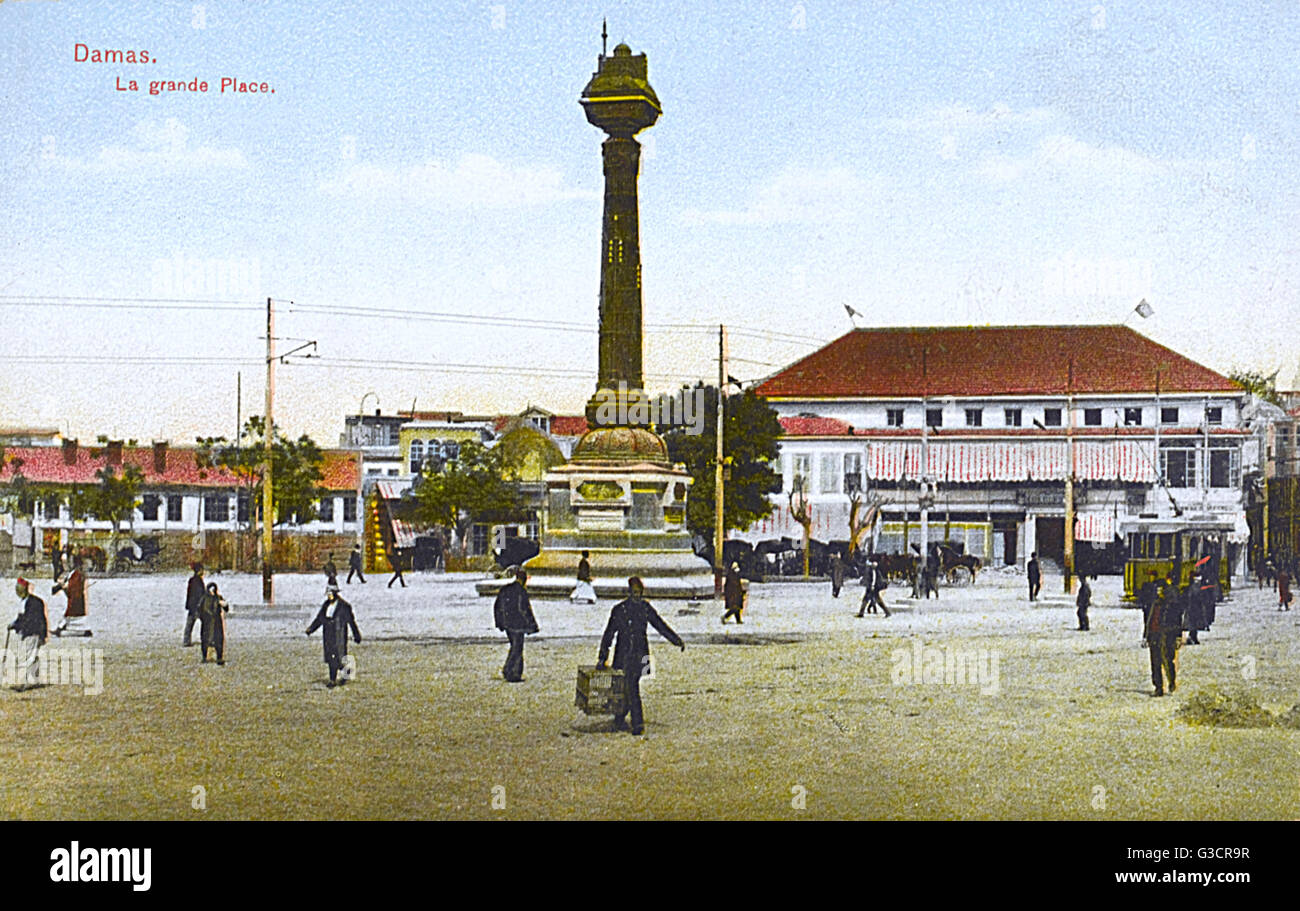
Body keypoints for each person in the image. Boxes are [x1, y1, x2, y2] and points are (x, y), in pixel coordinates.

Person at [597, 577, 685, 736]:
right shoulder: (620, 609)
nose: (637, 596)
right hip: (624, 653)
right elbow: (609, 634)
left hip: (640, 653)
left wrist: (675, 640)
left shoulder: (645, 608)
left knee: (631, 685)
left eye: (639, 593)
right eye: (634, 593)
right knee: (630, 686)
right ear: (629, 592)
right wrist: (603, 656)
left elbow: (660, 625)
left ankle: (631, 721)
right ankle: (629, 720)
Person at [306, 586, 362, 687]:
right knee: (330, 657)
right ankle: (337, 676)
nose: (329, 596)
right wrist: (311, 629)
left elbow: (351, 622)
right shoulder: (326, 605)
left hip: (339, 634)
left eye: (330, 594)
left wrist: (356, 635)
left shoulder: (344, 606)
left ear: (335, 594)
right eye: (328, 594)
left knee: (338, 656)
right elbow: (319, 619)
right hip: (328, 634)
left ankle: (339, 676)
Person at [493, 568, 538, 682]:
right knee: (517, 648)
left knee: (515, 646)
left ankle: (513, 671)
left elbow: (497, 606)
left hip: (508, 624)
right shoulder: (521, 592)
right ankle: (510, 670)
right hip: (518, 624)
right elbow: (524, 609)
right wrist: (532, 625)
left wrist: (500, 622)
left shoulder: (506, 589)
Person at [9, 578, 49, 690]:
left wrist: (43, 635)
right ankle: (34, 680)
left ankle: (25, 683)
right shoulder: (25, 602)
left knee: (28, 657)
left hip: (32, 633)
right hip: (28, 633)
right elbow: (21, 618)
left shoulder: (34, 603)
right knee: (33, 657)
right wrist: (14, 624)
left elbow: (31, 620)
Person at [1147, 576, 1183, 697]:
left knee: (1167, 660)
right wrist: (1147, 635)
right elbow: (1150, 620)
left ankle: (1171, 681)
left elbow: (1177, 621)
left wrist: (1178, 636)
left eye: (1161, 590)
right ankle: (1158, 687)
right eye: (1157, 590)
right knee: (1155, 662)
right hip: (1154, 635)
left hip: (1167, 635)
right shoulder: (1154, 603)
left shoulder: (1171, 604)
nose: (1159, 592)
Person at [51, 557, 88, 637]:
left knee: (70, 615)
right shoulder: (73, 573)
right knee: (69, 616)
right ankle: (61, 628)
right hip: (72, 597)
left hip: (75, 598)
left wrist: (65, 586)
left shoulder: (77, 574)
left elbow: (74, 585)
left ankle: (61, 629)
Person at [198, 581, 230, 665]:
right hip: (207, 622)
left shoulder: (218, 598)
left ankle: (219, 657)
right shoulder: (204, 598)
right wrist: (203, 618)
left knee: (218, 639)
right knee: (205, 640)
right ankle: (204, 657)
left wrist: (224, 605)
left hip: (217, 622)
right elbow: (199, 610)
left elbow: (226, 608)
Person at [183, 563, 205, 647]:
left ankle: (186, 640)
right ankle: (205, 639)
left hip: (192, 605)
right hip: (197, 606)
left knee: (189, 624)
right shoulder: (198, 581)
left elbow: (189, 594)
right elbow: (199, 594)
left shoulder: (192, 580)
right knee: (204, 624)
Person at [1137, 571, 1159, 646]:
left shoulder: (1157, 585)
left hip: (1154, 607)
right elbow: (1142, 597)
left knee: (1153, 623)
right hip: (1148, 606)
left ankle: (1151, 638)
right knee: (1147, 622)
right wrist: (1143, 605)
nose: (1152, 578)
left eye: (1153, 576)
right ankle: (1146, 637)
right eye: (1151, 576)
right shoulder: (1146, 586)